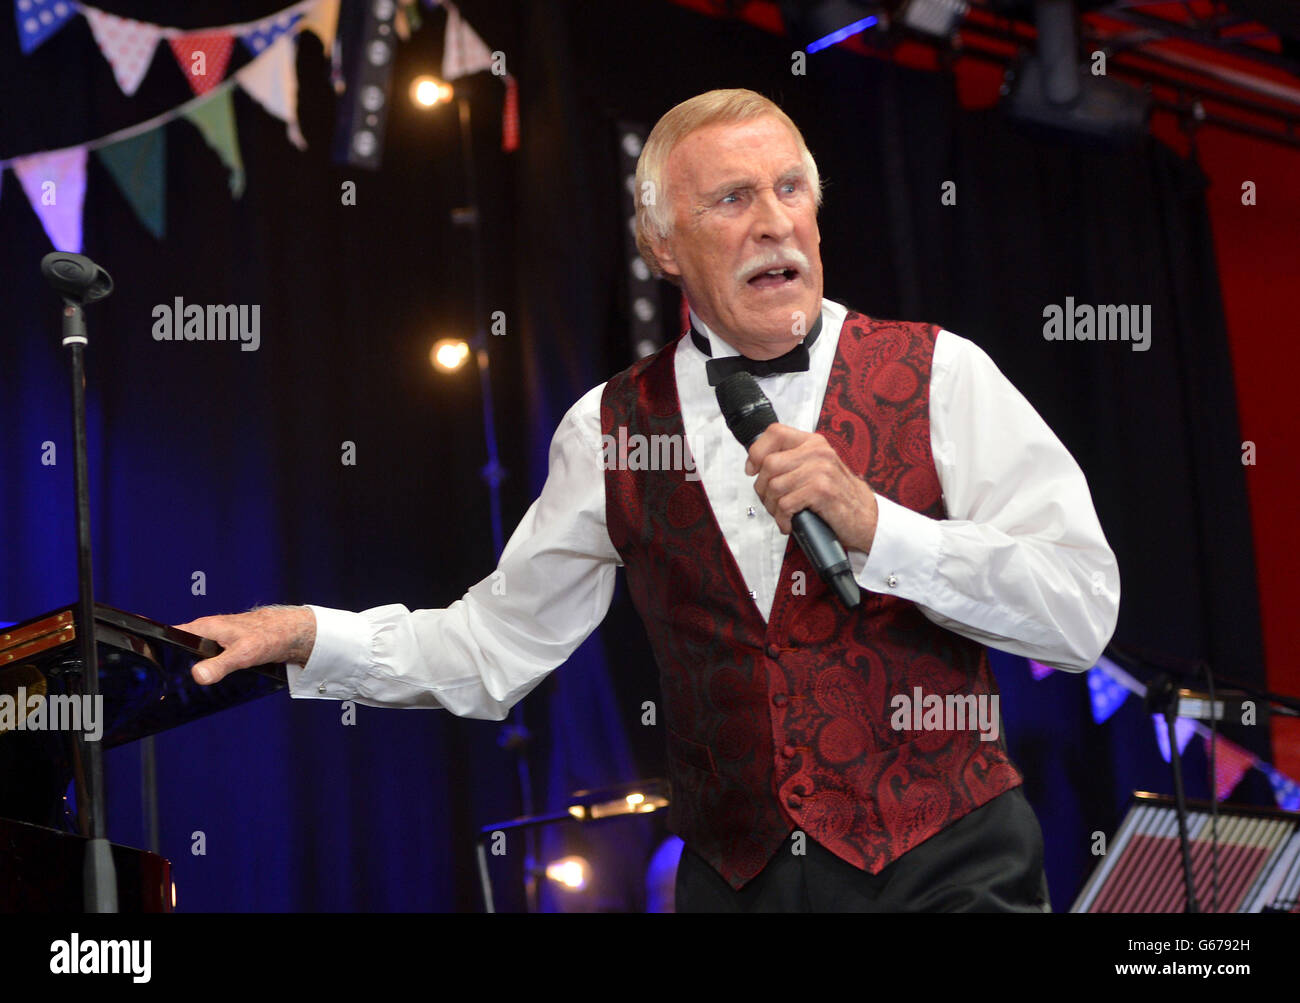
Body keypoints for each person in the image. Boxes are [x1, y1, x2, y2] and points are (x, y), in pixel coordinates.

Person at [178, 88, 1119, 912]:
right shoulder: (609, 429)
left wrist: (883, 530)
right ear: (662, 245)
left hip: (948, 876)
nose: (773, 222)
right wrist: (309, 633)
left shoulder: (941, 373)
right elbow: (488, 649)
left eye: (792, 190)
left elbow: (1080, 612)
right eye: (731, 199)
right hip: (736, 887)